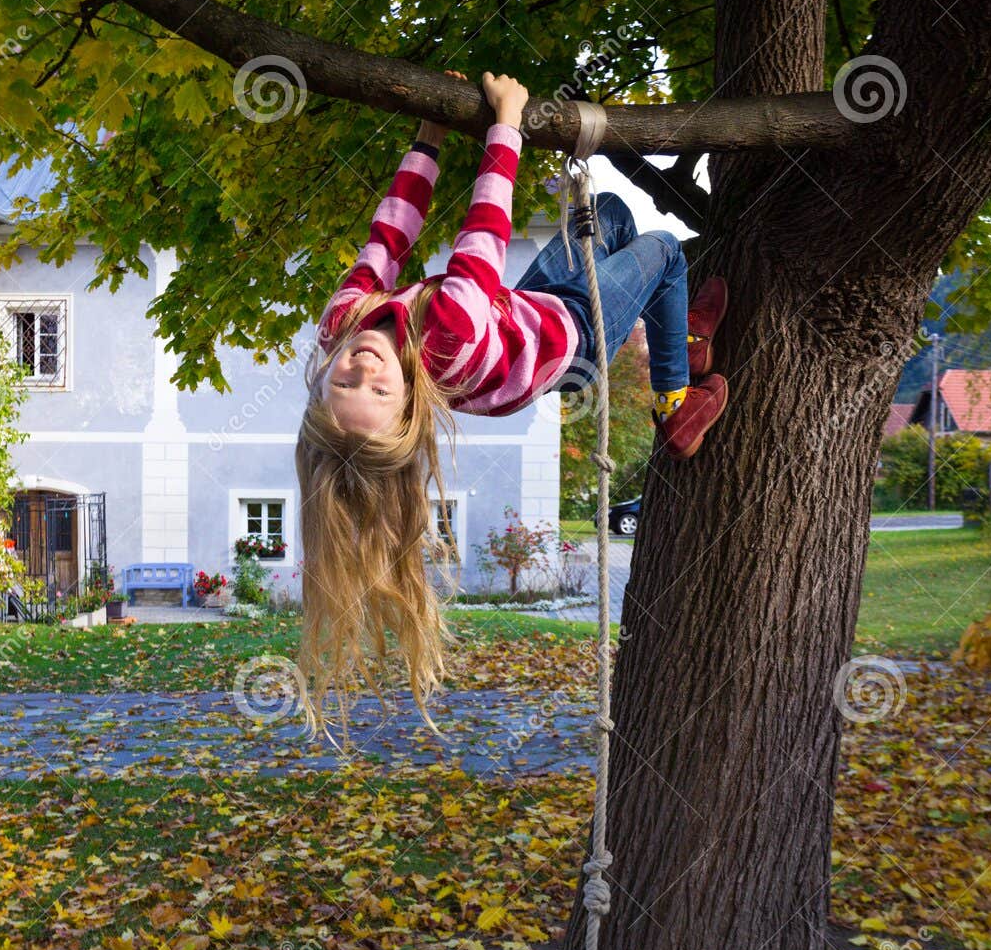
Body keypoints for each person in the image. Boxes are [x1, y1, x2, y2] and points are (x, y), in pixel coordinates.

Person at [294, 70, 729, 733]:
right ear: (410, 398)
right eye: (378, 390)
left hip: (528, 310)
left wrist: (429, 133)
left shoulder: (340, 323)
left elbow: (390, 234)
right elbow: (484, 230)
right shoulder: (444, 337)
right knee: (665, 251)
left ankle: (671, 324)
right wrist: (507, 119)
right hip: (575, 339)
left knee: (608, 216)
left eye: (344, 384)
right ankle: (676, 398)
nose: (359, 367)